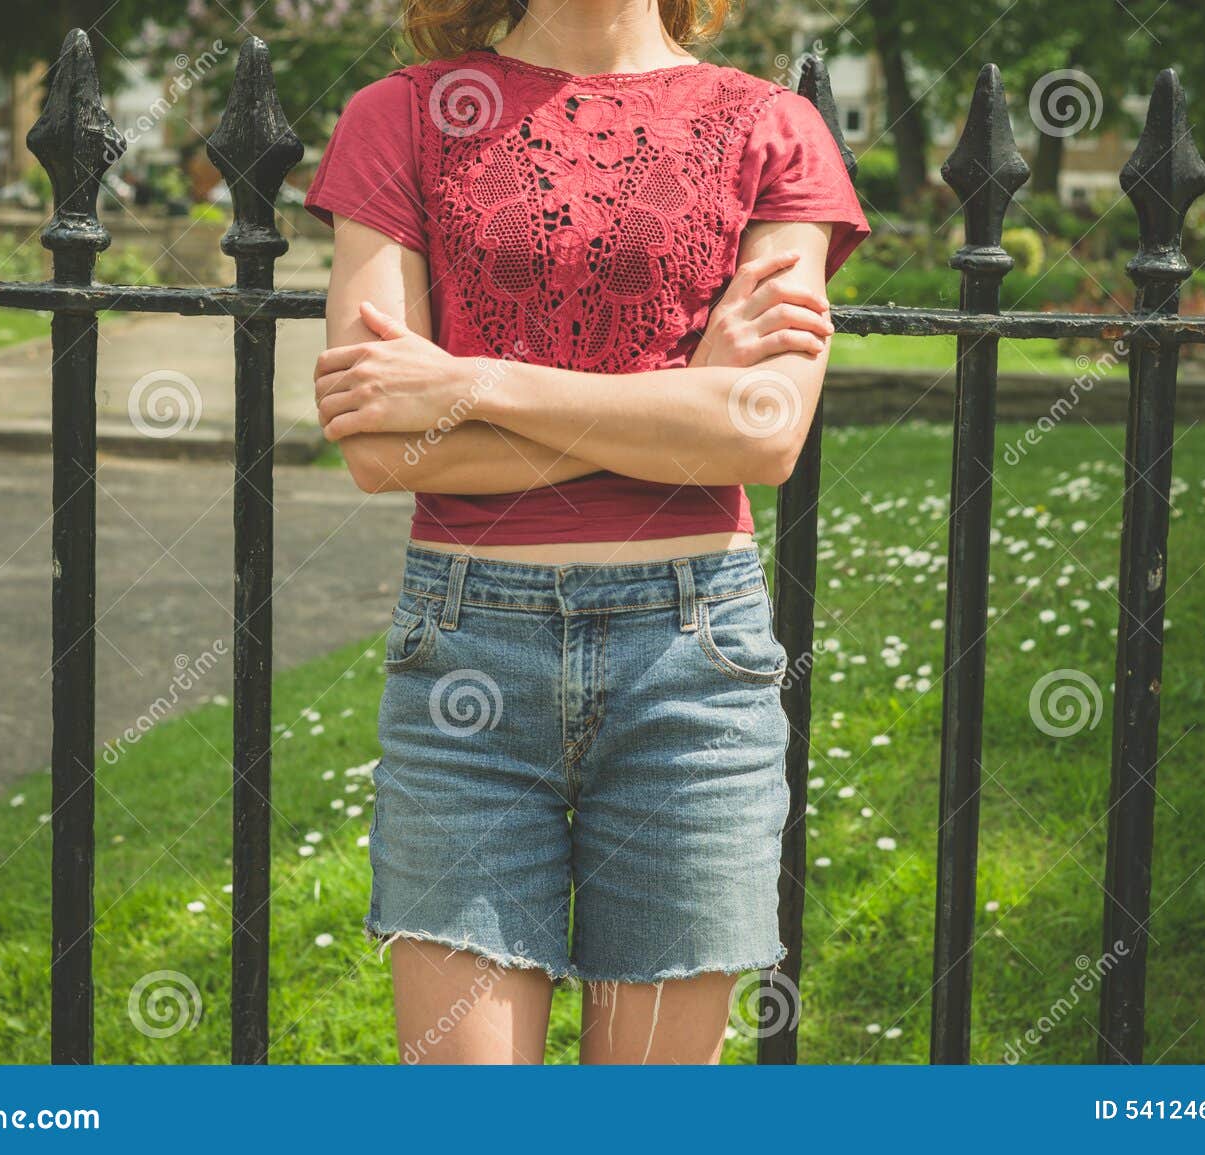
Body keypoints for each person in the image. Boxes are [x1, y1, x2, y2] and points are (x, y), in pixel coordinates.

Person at [305, 0, 869, 1064]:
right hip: (467, 660)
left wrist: (473, 383)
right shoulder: (402, 118)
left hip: (691, 670)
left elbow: (760, 432)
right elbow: (386, 448)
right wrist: (681, 400)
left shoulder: (770, 127)